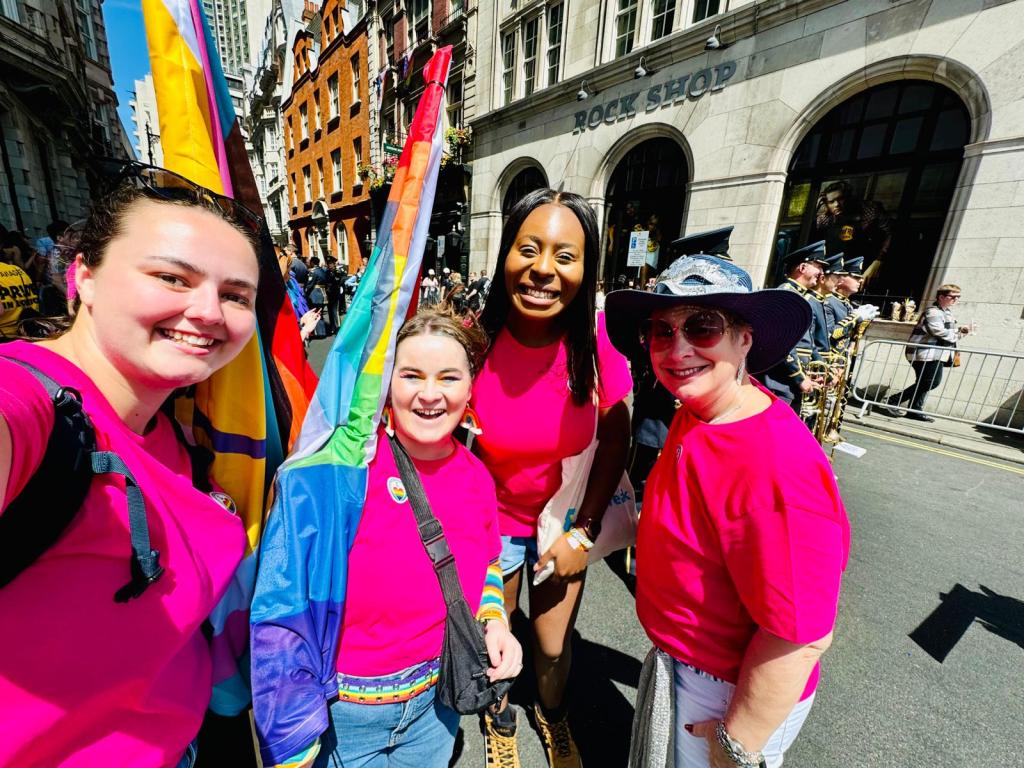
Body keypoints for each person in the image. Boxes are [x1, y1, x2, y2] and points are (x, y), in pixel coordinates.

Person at [0, 164, 262, 766]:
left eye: (235, 295)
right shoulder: (33, 409)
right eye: (172, 277)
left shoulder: (176, 432)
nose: (209, 312)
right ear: (84, 277)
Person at [606, 254, 850, 768]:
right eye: (660, 330)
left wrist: (736, 745)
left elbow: (800, 635)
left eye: (702, 326)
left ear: (744, 338)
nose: (677, 349)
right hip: (692, 668)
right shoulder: (700, 410)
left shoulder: (775, 465)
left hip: (727, 690)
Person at [260, 307, 523, 768]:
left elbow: (488, 565)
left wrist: (496, 621)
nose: (429, 394)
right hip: (343, 716)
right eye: (411, 375)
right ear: (387, 384)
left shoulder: (478, 478)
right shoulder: (345, 472)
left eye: (448, 377)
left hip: (435, 709)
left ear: (470, 386)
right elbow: (287, 595)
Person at [474, 188, 633, 768]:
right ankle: (499, 717)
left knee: (550, 645)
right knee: (493, 643)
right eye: (530, 248)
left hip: (563, 526)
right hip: (488, 527)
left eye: (565, 256)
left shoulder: (596, 347)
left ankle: (553, 714)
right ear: (506, 255)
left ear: (587, 269)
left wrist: (583, 533)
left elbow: (617, 435)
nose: (543, 269)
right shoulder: (473, 341)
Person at [880, 284, 970, 422]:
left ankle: (914, 410)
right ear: (941, 297)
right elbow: (939, 332)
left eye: (958, 297)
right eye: (952, 297)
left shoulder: (946, 312)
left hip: (936, 353)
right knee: (932, 382)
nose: (956, 300)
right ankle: (893, 400)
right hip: (925, 352)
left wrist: (960, 329)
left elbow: (946, 330)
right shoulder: (933, 312)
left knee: (924, 381)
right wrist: (959, 335)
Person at [759, 242, 829, 413]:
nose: (821, 273)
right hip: (780, 381)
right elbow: (782, 344)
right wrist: (799, 378)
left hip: (791, 381)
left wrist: (818, 365)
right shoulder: (786, 295)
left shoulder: (800, 297)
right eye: (818, 266)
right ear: (803, 267)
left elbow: (808, 342)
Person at [814, 180, 892, 271]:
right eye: (831, 202)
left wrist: (878, 261)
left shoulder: (869, 211)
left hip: (863, 267)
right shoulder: (825, 218)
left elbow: (889, 234)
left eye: (840, 199)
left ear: (848, 198)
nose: (837, 204)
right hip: (833, 269)